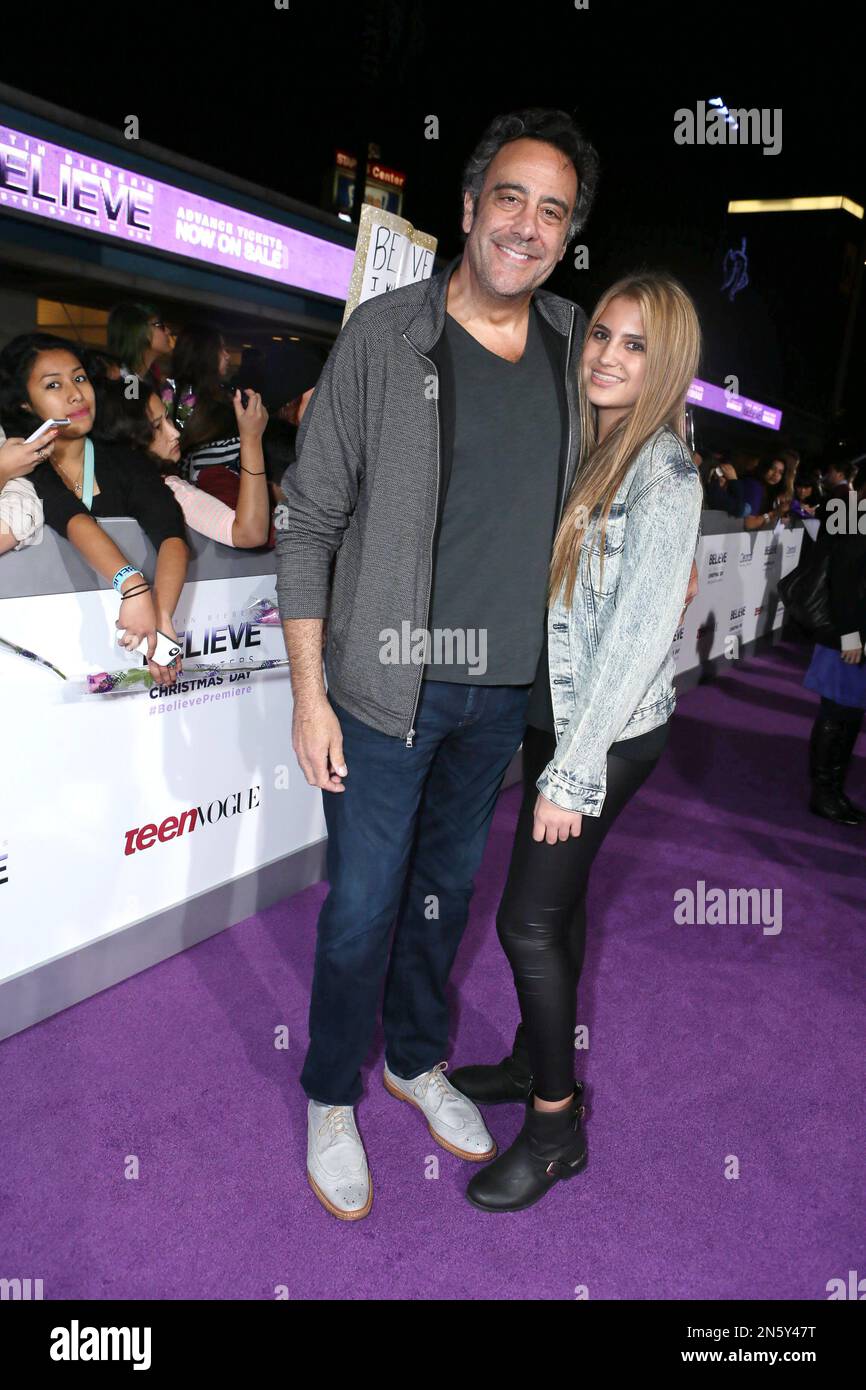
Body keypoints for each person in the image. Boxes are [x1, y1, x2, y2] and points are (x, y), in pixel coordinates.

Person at [277, 107, 603, 1221]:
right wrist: (308, 695)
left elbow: (643, 450)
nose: (525, 224)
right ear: (466, 210)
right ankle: (331, 1091)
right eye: (507, 198)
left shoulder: (574, 345)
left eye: (551, 210)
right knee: (362, 907)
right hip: (379, 689)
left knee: (440, 898)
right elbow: (308, 520)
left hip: (501, 696)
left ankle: (416, 1061)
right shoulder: (382, 333)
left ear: (566, 236)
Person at [449, 273, 703, 1214]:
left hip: (604, 733)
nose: (607, 355)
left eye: (636, 345)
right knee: (557, 910)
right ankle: (530, 1059)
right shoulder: (600, 446)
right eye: (602, 334)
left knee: (524, 920)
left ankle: (556, 1128)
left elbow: (636, 645)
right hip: (564, 715)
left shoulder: (666, 476)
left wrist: (570, 769)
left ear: (666, 362)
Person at [0, 333, 188, 687]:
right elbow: (71, 518)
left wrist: (161, 616)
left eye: (80, 378)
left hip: (115, 652)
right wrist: (133, 587)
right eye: (53, 385)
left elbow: (171, 536)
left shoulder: (125, 461)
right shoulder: (23, 463)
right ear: (25, 403)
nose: (75, 394)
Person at [93, 378, 271, 548]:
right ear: (127, 440)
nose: (174, 433)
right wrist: (251, 439)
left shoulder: (100, 484)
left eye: (167, 418)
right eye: (157, 427)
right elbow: (250, 533)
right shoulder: (170, 491)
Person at [803, 471, 866, 825]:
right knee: (838, 713)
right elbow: (842, 579)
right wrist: (851, 635)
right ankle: (823, 793)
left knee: (850, 715)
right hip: (847, 636)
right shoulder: (856, 514)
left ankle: (833, 791)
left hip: (855, 635)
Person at [166, 323, 241, 506]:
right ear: (205, 353)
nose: (227, 355)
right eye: (221, 349)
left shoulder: (171, 392)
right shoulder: (196, 400)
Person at [107, 302, 173, 389]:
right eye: (159, 325)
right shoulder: (123, 379)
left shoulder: (147, 380)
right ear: (139, 332)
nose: (168, 331)